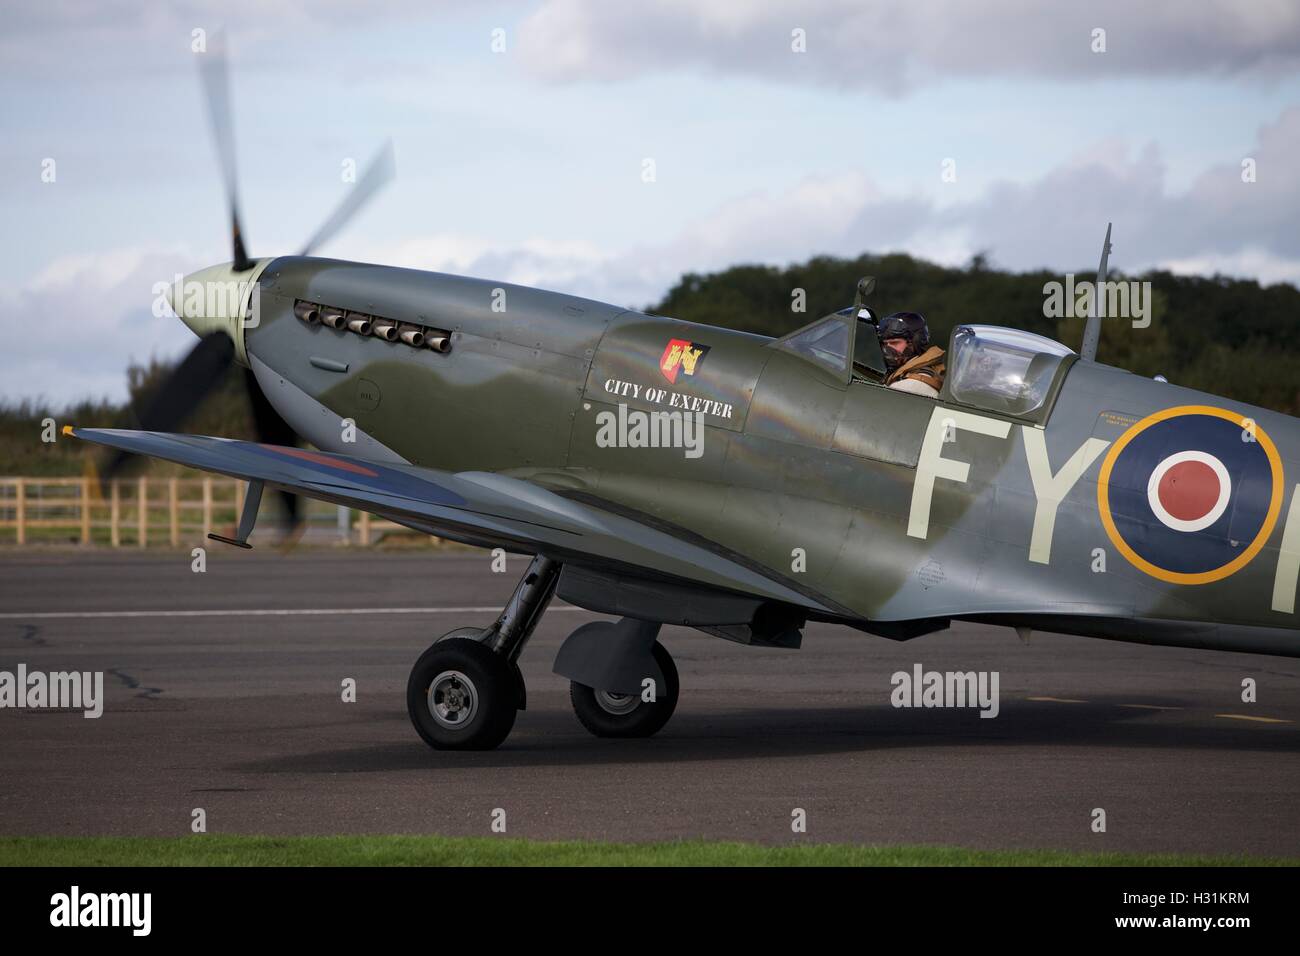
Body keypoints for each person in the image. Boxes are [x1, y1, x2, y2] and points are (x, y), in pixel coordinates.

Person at [878, 311, 945, 397]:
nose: (886, 349)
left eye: (894, 343)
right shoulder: (904, 375)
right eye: (885, 344)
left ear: (914, 343)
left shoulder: (910, 386)